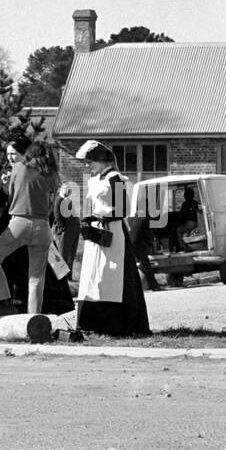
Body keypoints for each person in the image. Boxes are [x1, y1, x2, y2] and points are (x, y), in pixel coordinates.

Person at [74, 140, 151, 337]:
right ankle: (93, 322)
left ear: (101, 160)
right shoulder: (94, 180)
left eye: (90, 161)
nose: (87, 165)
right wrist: (91, 217)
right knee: (94, 275)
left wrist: (103, 217)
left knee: (114, 276)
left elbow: (123, 208)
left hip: (114, 232)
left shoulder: (115, 178)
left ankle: (120, 323)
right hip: (98, 233)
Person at [0, 138, 59, 314]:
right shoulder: (52, 174)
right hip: (43, 226)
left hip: (20, 222)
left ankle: (4, 299)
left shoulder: (18, 167)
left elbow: (11, 194)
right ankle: (34, 318)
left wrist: (5, 183)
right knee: (36, 278)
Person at [172, 186, 201, 251]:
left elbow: (181, 215)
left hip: (190, 223)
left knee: (178, 230)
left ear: (185, 195)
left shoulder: (185, 204)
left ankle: (181, 247)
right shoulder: (196, 203)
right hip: (197, 223)